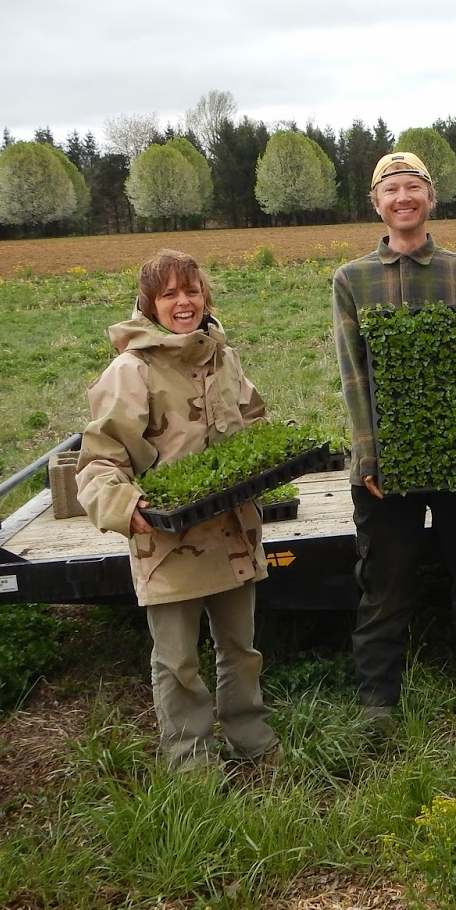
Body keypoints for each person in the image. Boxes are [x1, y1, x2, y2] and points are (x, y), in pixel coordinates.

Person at [77, 249, 280, 771]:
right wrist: (128, 506)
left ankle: (250, 736)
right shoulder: (131, 371)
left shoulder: (222, 358)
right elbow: (98, 463)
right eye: (169, 295)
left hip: (234, 534)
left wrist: (271, 456)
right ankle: (192, 763)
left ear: (205, 297)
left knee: (241, 650)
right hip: (169, 544)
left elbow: (255, 420)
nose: (183, 302)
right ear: (150, 306)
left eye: (191, 291)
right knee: (178, 661)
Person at [331, 151, 456, 724]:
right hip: (386, 462)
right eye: (392, 190)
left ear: (430, 199)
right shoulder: (352, 279)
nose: (403, 198)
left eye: (414, 188)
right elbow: (353, 375)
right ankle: (377, 695)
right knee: (384, 581)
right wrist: (368, 456)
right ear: (377, 204)